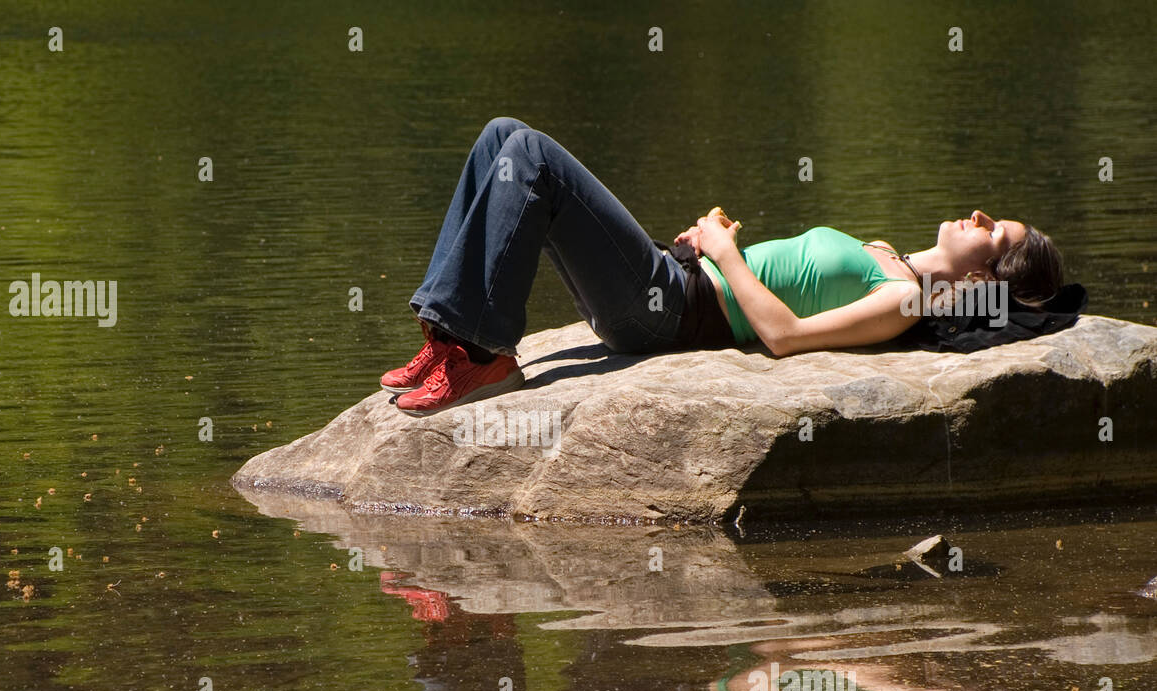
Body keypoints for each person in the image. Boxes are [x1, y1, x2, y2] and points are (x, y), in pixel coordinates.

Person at [383, 117, 1064, 416]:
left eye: (992, 230)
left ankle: (481, 353)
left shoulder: (902, 297)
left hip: (670, 312)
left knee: (530, 155)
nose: (977, 215)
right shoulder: (885, 254)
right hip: (668, 280)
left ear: (982, 280)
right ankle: (448, 336)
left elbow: (786, 336)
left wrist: (726, 251)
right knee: (503, 137)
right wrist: (716, 241)